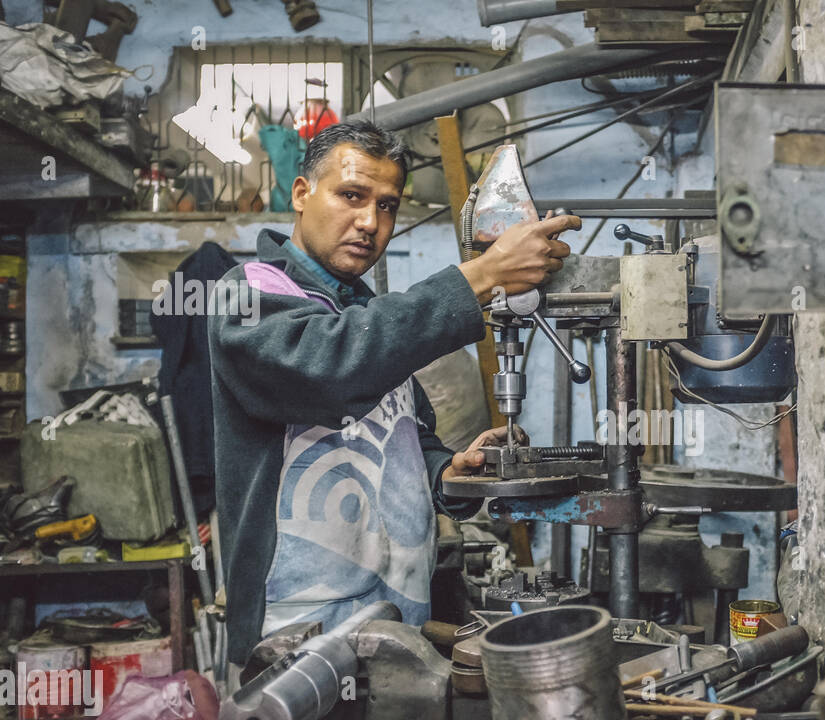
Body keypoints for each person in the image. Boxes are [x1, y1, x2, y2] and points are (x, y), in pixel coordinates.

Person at [209, 119, 580, 665]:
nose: (369, 222)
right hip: (293, 634)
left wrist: (447, 471)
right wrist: (478, 277)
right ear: (302, 192)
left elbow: (403, 436)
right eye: (352, 196)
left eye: (387, 206)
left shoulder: (364, 316)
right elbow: (330, 370)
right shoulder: (250, 292)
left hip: (398, 623)